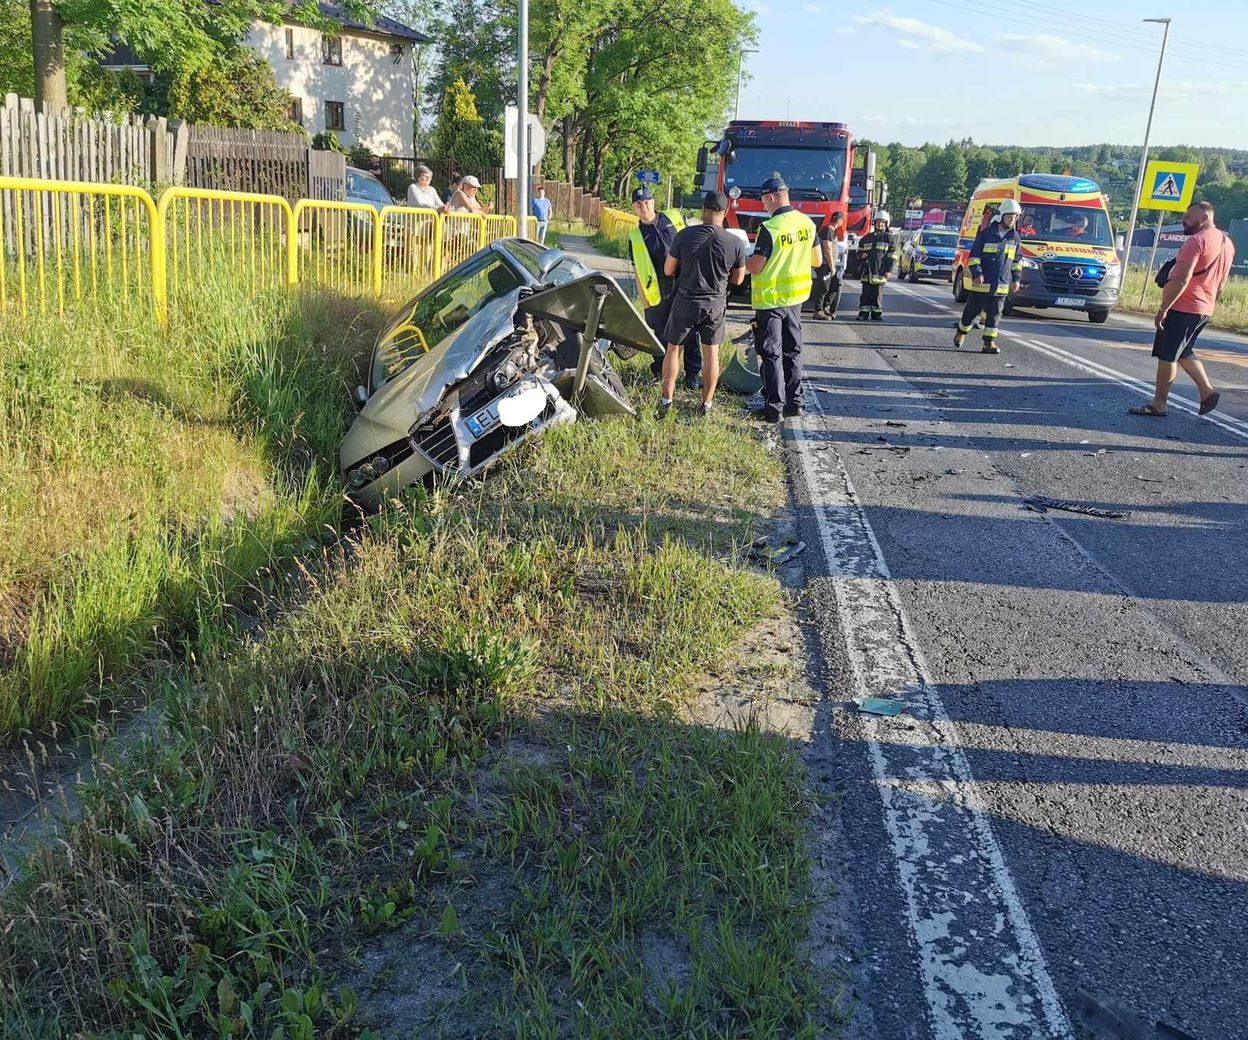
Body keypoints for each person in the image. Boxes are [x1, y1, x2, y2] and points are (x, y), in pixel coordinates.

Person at [1129, 199, 1234, 418]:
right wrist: (1210, 303)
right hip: (1204, 307)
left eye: (1188, 218)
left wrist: (1163, 309)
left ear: (1204, 218)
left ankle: (1159, 404)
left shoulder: (1196, 241)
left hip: (1184, 306)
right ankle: (1207, 392)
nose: (1183, 222)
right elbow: (1222, 282)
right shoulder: (1227, 242)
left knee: (1167, 355)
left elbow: (1181, 279)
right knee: (1183, 351)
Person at [658, 191, 747, 417]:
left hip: (685, 301)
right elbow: (738, 279)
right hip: (715, 304)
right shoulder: (735, 243)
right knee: (711, 355)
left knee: (673, 349)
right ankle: (706, 404)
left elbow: (668, 269)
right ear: (725, 212)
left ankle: (666, 400)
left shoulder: (684, 236)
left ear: (703, 210)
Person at [744, 175, 817, 423]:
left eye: (764, 201)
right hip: (796, 299)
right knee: (792, 351)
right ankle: (795, 403)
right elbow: (817, 260)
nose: (764, 206)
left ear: (772, 197)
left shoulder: (770, 228)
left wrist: (742, 258)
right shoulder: (807, 223)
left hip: (771, 301)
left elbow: (755, 266)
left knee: (771, 353)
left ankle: (773, 408)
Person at [627, 186, 702, 388]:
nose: (644, 207)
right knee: (660, 334)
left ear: (653, 202)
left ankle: (692, 375)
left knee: (689, 332)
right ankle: (662, 372)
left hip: (684, 283)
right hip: (658, 290)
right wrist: (645, 303)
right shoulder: (635, 236)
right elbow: (637, 272)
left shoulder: (673, 217)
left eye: (646, 202)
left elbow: (695, 232)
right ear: (634, 207)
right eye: (639, 204)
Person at [954, 198, 1023, 355]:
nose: (1012, 220)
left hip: (1001, 285)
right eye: (1010, 216)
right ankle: (961, 332)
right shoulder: (986, 234)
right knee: (971, 312)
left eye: (1015, 217)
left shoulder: (1015, 237)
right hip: (983, 284)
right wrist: (977, 273)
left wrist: (1016, 279)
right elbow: (974, 257)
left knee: (995, 315)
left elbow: (1017, 261)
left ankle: (989, 343)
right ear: (1002, 216)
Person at [856, 211, 895, 321]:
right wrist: (861, 255)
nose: (880, 224)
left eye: (882, 222)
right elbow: (858, 251)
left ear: (886, 224)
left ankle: (876, 314)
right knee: (865, 294)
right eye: (878, 222)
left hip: (880, 272)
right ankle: (863, 313)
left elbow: (892, 256)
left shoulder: (889, 238)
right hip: (867, 272)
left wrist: (889, 270)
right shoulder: (866, 238)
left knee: (877, 295)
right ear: (874, 223)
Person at [813, 211, 846, 320]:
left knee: (834, 286)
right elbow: (827, 248)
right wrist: (832, 266)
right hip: (825, 265)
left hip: (829, 265)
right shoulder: (827, 230)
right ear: (840, 221)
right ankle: (818, 311)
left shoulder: (831, 231)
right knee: (823, 288)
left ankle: (825, 308)